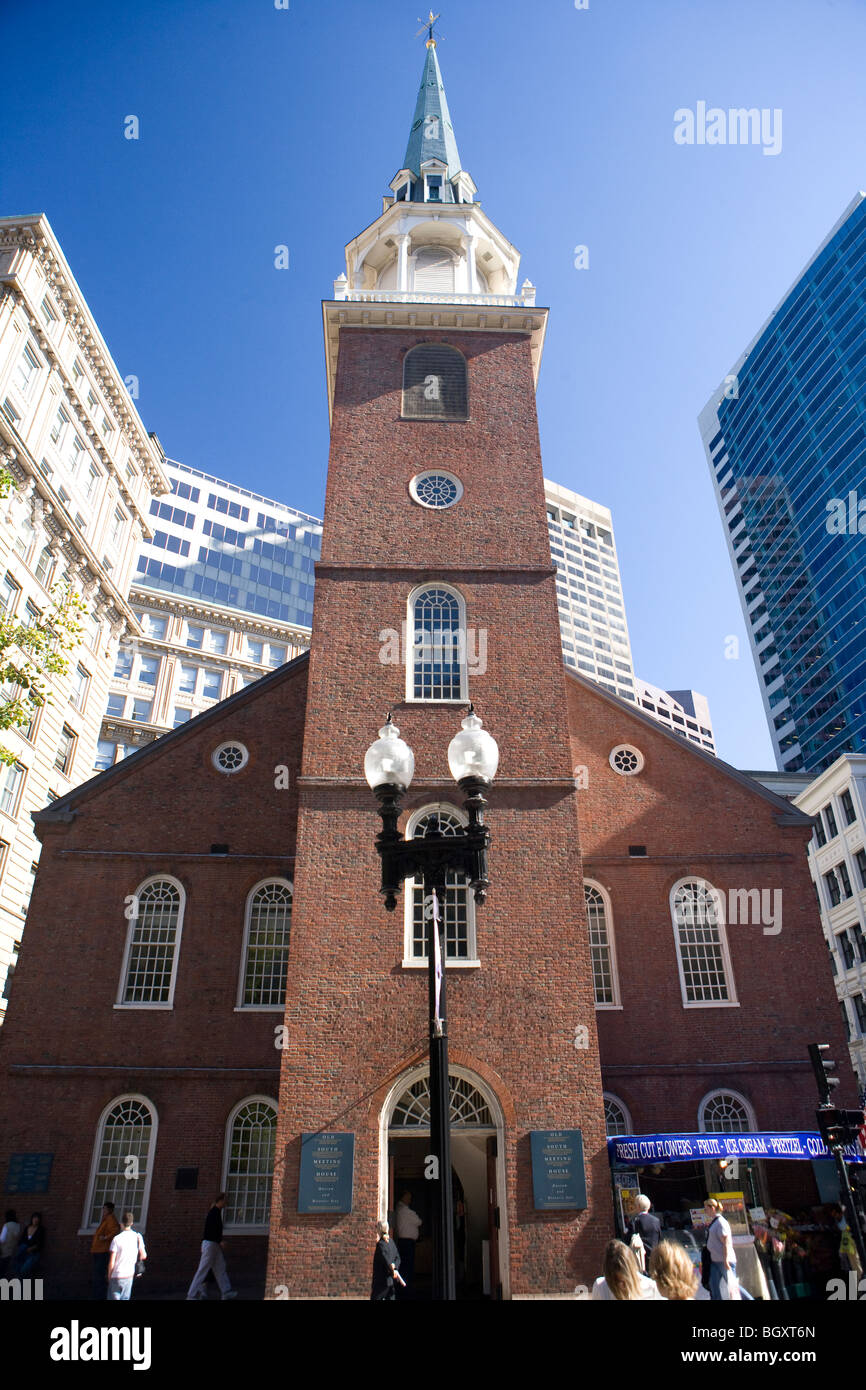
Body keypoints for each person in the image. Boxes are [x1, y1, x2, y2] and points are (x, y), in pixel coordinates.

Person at [186, 1193, 238, 1301]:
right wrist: (220, 1241)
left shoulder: (216, 1212)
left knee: (220, 1267)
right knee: (203, 1269)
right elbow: (212, 1230)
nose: (226, 1203)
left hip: (212, 1244)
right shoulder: (214, 1212)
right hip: (211, 1244)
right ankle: (191, 1294)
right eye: (225, 1200)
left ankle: (226, 1291)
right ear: (221, 1200)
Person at [590, 1239, 665, 1300]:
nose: (621, 1285)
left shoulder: (652, 1289)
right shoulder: (601, 1288)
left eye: (624, 1281)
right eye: (615, 1282)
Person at [704, 1198, 740, 1300]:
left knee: (732, 1287)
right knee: (713, 1286)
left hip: (724, 1260)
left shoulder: (720, 1222)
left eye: (706, 1209)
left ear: (712, 1208)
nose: (705, 1211)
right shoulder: (715, 1222)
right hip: (715, 1260)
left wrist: (726, 1259)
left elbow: (726, 1242)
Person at [107, 1210, 146, 1301]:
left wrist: (109, 1275)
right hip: (129, 1274)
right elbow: (144, 1255)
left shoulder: (117, 1239)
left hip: (116, 1274)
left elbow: (112, 1262)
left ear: (121, 1223)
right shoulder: (137, 1237)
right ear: (131, 1223)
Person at [394, 1191, 422, 1296]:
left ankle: (404, 1288)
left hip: (404, 1242)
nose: (410, 1200)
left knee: (404, 1266)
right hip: (407, 1243)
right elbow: (419, 1221)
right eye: (408, 1197)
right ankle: (405, 1290)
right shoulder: (405, 1210)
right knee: (407, 1267)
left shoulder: (400, 1209)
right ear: (403, 1198)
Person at [91, 1202, 121, 1300]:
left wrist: (105, 1238)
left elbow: (115, 1231)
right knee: (98, 1274)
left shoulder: (110, 1219)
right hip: (98, 1249)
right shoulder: (106, 1219)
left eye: (104, 1209)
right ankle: (98, 1294)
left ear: (109, 1210)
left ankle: (99, 1295)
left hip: (102, 1250)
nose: (103, 1210)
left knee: (99, 1275)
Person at [370, 1219, 405, 1300]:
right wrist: (395, 1268)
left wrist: (393, 1269)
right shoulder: (391, 1242)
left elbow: (386, 1260)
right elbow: (397, 1258)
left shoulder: (381, 1244)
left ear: (378, 1230)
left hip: (381, 1281)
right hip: (390, 1281)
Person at [628, 1194, 662, 1272]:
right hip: (654, 1257)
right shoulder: (656, 1221)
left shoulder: (635, 1221)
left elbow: (629, 1240)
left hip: (640, 1258)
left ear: (638, 1206)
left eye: (635, 1205)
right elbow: (659, 1239)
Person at [14, 1212, 44, 1277]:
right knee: (18, 1269)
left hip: (33, 1253)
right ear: (32, 1219)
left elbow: (40, 1243)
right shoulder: (27, 1228)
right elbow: (22, 1239)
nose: (35, 1220)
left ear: (39, 1220)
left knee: (24, 1270)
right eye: (34, 1218)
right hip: (23, 1252)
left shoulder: (41, 1230)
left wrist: (32, 1248)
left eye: (37, 1219)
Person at [0, 1209, 21, 1277]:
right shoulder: (18, 1226)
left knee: (2, 1270)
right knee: (6, 1270)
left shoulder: (6, 1225)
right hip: (12, 1250)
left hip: (4, 1251)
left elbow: (2, 1239)